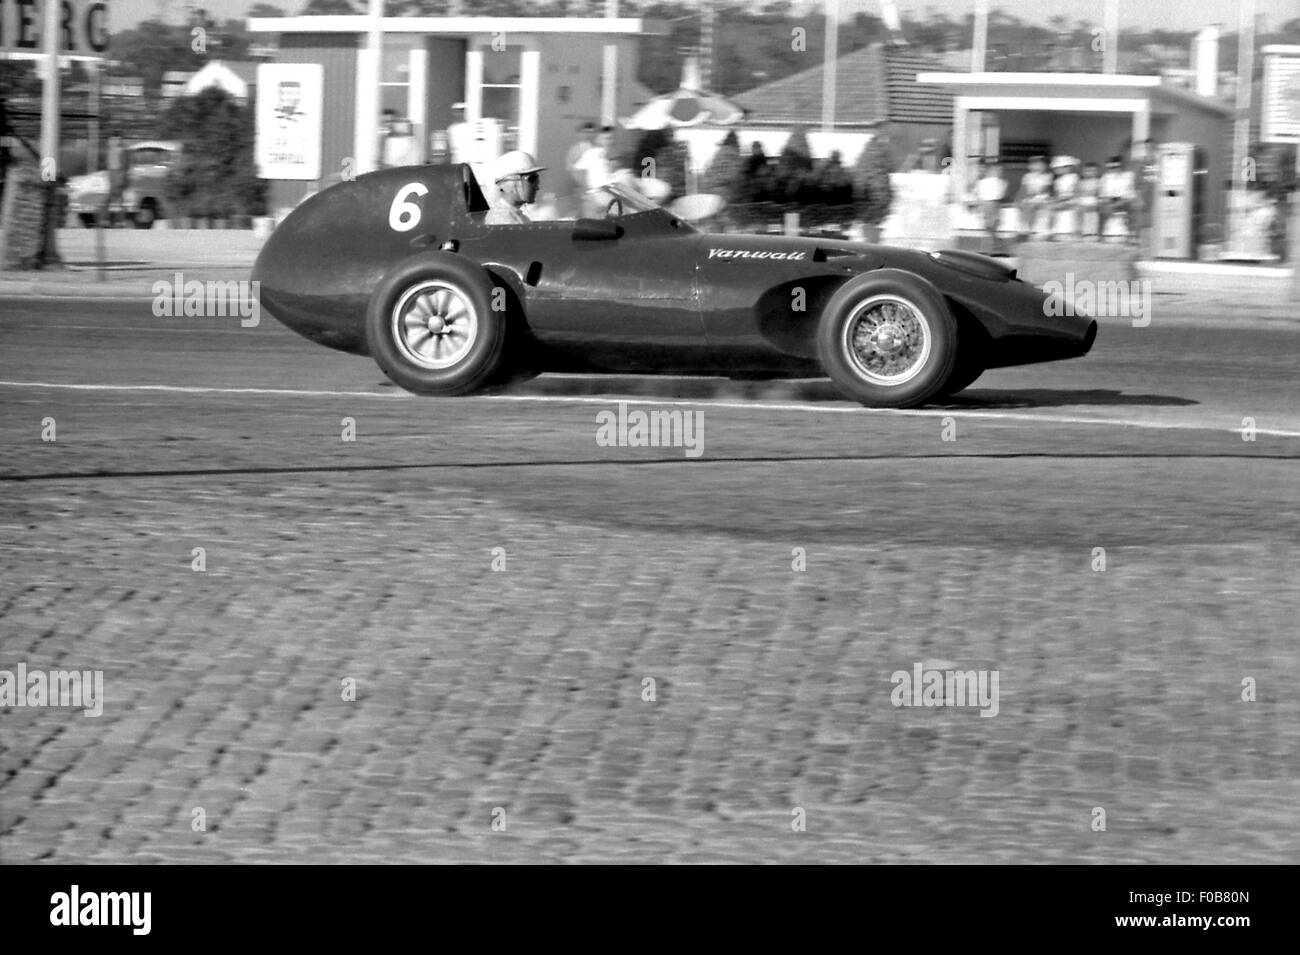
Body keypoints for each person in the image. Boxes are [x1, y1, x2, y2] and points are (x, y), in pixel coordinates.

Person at [484, 150, 545, 225]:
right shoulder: (502, 220)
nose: (537, 187)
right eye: (532, 179)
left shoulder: (518, 217)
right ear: (510, 183)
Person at [572, 125, 616, 217]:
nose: (610, 141)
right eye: (607, 138)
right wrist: (587, 191)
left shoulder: (616, 156)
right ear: (599, 140)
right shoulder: (592, 154)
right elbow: (577, 172)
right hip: (594, 199)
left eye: (612, 138)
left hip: (611, 200)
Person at [1098, 154, 1136, 240]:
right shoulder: (1105, 178)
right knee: (1109, 233)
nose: (1114, 169)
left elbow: (1129, 196)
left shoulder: (1128, 176)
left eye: (1117, 167)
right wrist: (1107, 205)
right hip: (1109, 211)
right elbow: (1102, 195)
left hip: (1123, 209)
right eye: (1111, 167)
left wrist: (1116, 205)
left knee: (1122, 233)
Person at [973, 157, 1008, 251]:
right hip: (986, 204)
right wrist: (979, 206)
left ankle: (989, 247)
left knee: (992, 225)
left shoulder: (1001, 182)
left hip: (994, 204)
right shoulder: (982, 182)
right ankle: (995, 244)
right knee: (988, 226)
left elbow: (1000, 195)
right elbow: (979, 195)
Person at [1015, 155, 1053, 239]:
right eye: (1035, 164)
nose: (1037, 167)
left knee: (1034, 205)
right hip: (1029, 197)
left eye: (1040, 165)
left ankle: (1036, 229)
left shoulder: (1047, 176)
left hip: (1041, 197)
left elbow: (1044, 190)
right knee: (1024, 205)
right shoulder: (1027, 176)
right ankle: (1025, 228)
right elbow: (1023, 189)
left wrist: (1033, 196)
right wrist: (1019, 200)